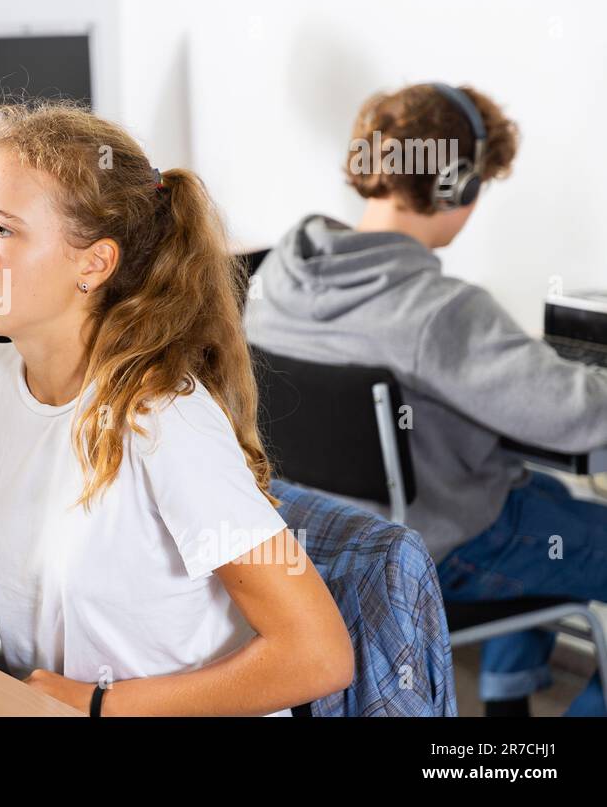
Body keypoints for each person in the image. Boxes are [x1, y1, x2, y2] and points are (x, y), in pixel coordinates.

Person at [0, 102, 354, 715]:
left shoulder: (161, 419)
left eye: (3, 229)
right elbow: (12, 575)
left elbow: (318, 654)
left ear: (93, 263)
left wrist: (100, 705)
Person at [245, 82, 607, 716]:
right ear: (459, 185)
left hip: (322, 544)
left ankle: (506, 701)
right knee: (544, 510)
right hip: (435, 552)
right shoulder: (440, 312)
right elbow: (577, 416)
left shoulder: (276, 275)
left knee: (536, 496)